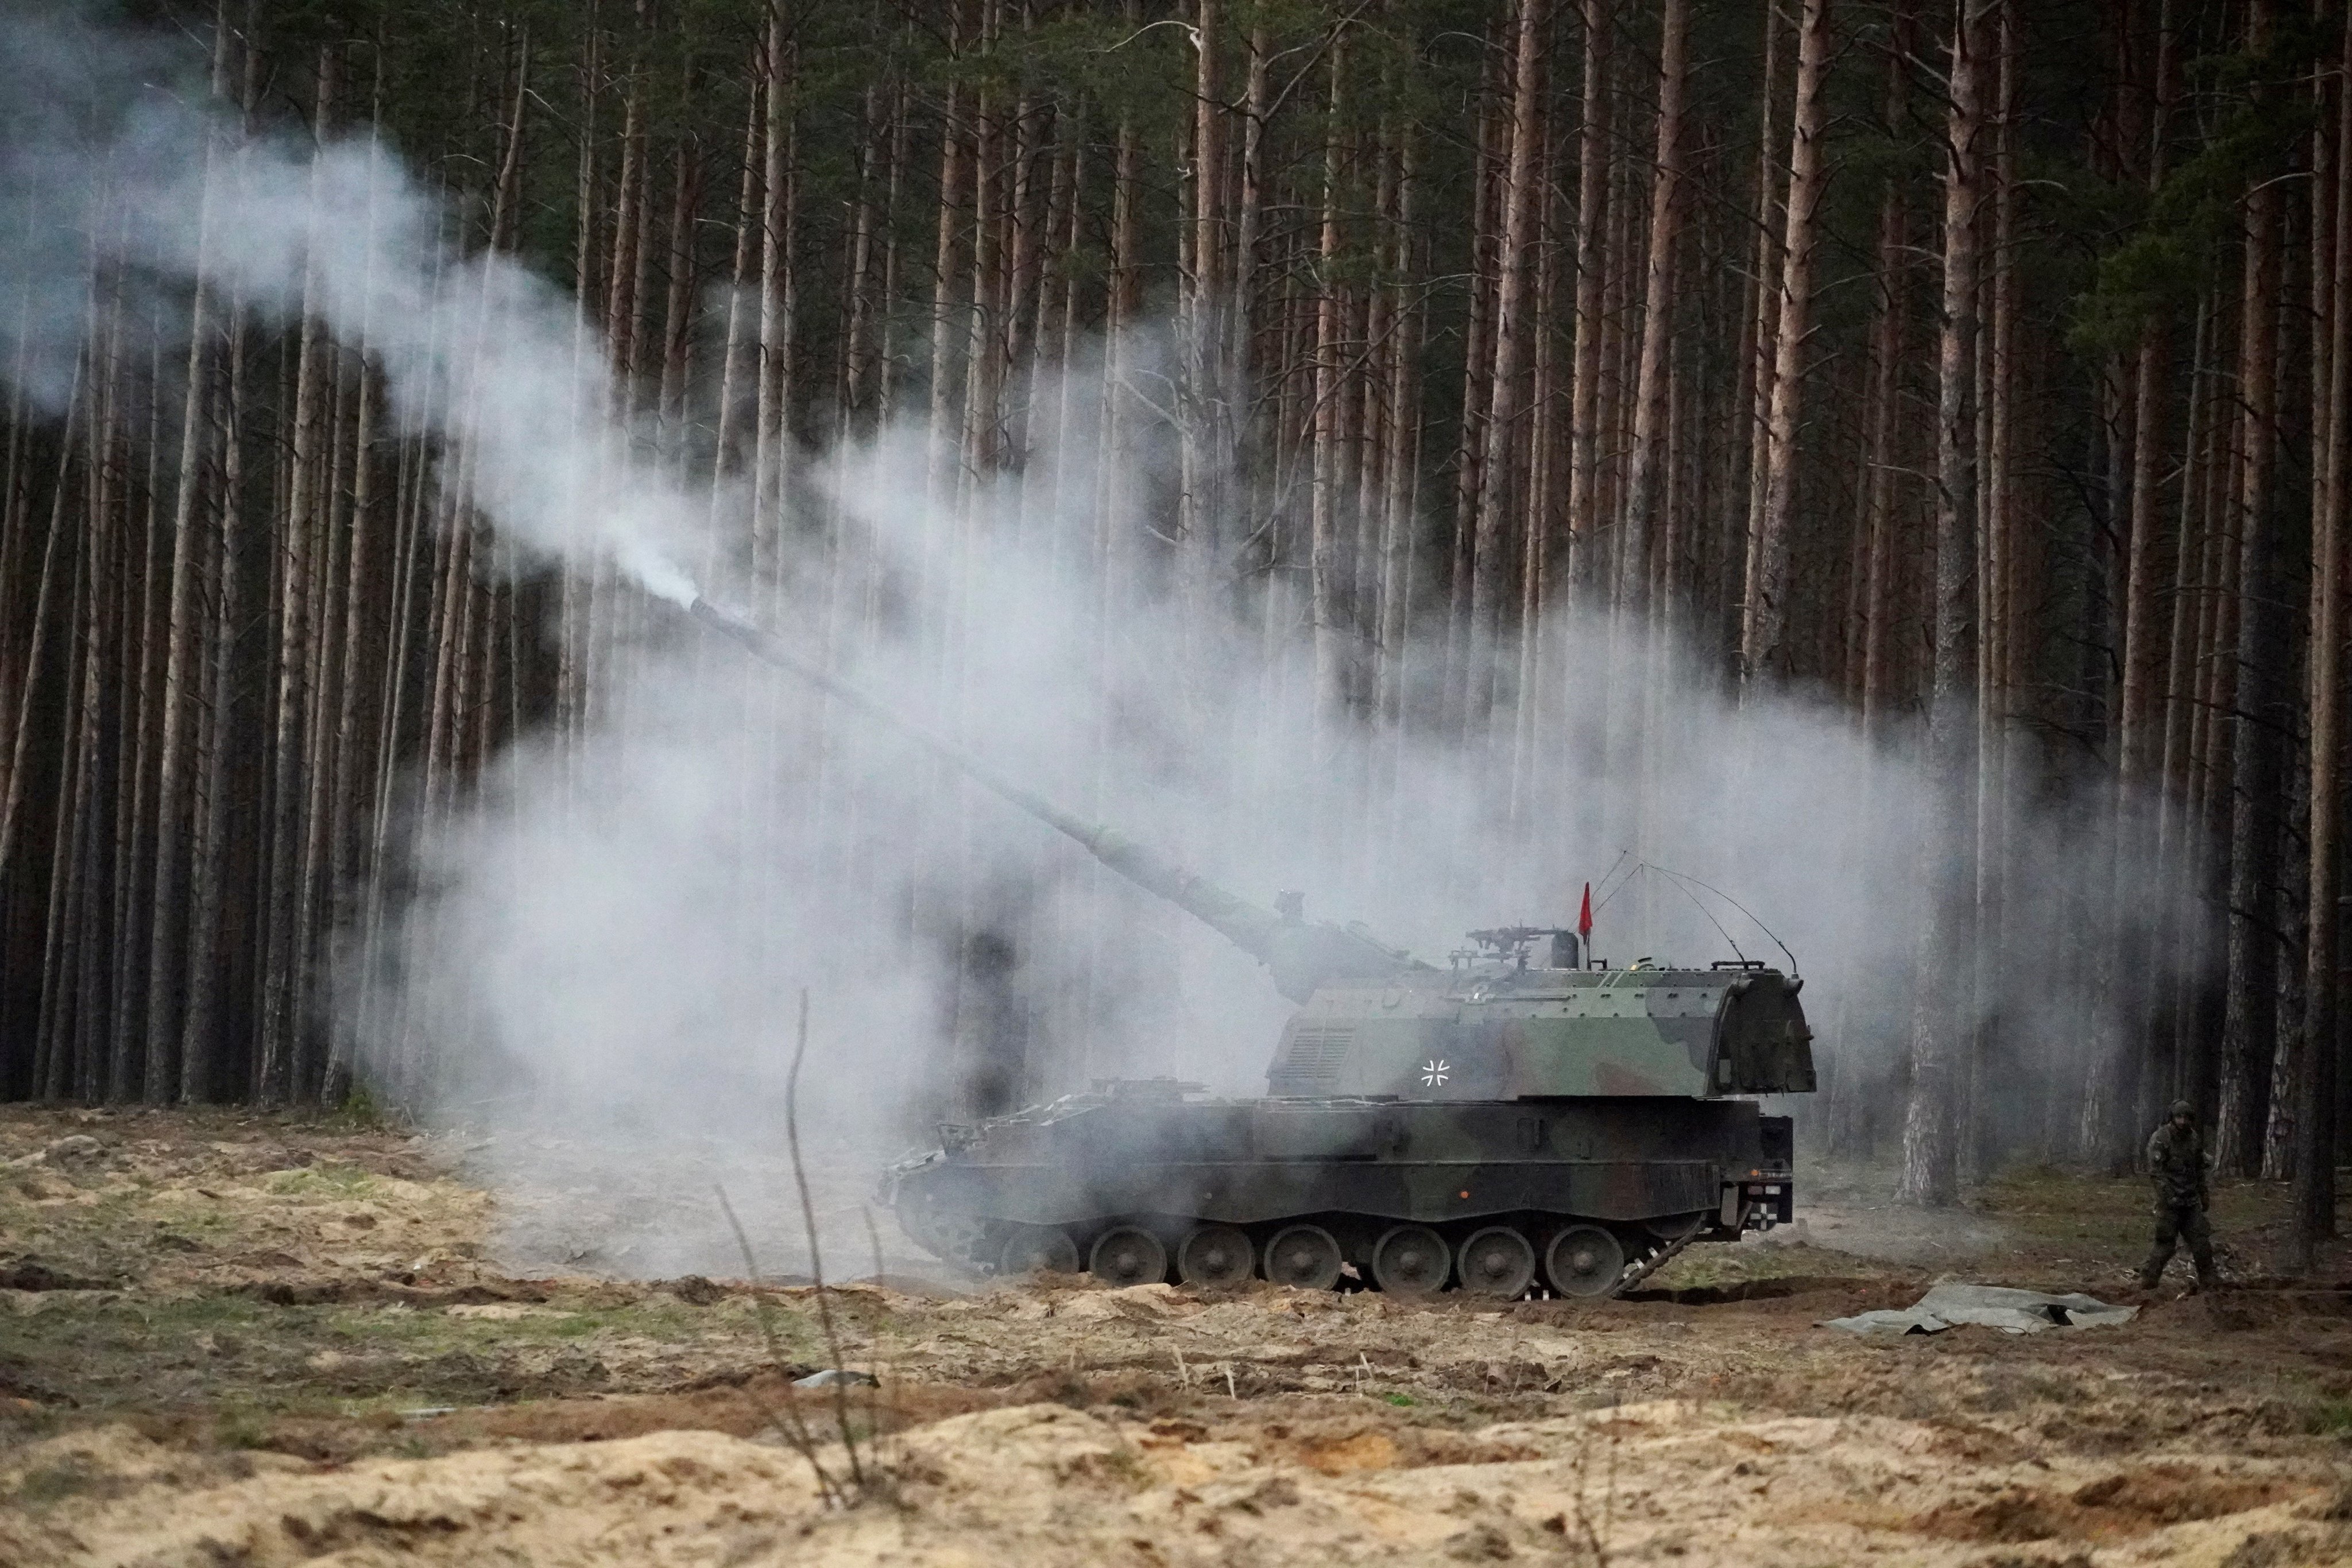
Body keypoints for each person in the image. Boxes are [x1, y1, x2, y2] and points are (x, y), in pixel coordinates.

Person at [2137, 1099, 2216, 1292]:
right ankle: (2148, 1282)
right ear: (2172, 1118)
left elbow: (2199, 1169)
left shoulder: (2194, 1139)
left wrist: (2203, 1194)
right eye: (2179, 1117)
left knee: (2201, 1243)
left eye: (2186, 1118)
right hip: (2170, 1203)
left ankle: (2210, 1282)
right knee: (2165, 1245)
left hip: (2190, 1201)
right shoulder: (2161, 1139)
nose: (2182, 1122)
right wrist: (2168, 1196)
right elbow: (2156, 1173)